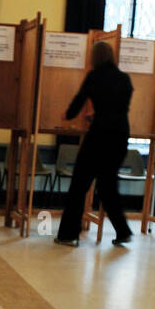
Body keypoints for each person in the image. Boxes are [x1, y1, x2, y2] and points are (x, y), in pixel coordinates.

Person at [54, 40, 134, 246]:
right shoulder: (125, 79)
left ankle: (68, 234)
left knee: (79, 185)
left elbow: (79, 101)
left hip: (99, 136)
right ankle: (123, 231)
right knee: (108, 186)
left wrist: (68, 115)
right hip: (120, 137)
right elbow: (119, 108)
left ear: (95, 57)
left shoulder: (94, 77)